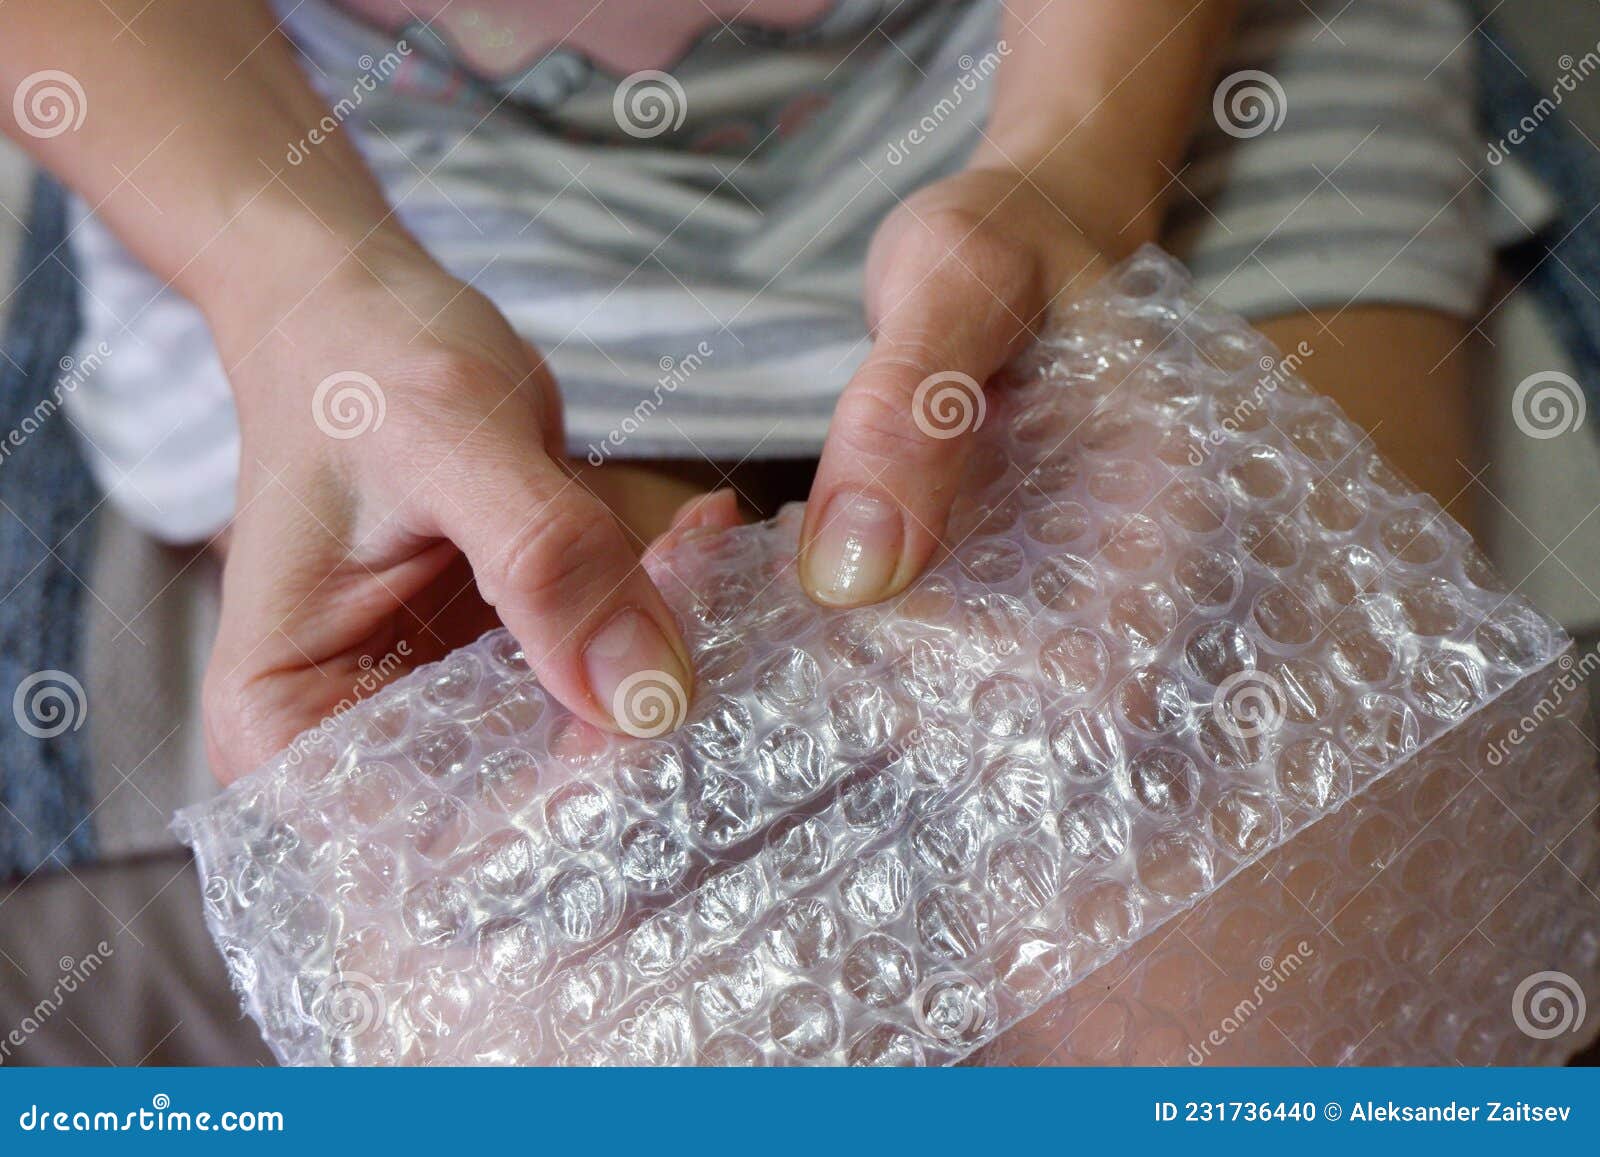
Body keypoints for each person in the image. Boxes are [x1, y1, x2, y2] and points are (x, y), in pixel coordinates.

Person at [0, 0, 1505, 1062]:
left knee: (1298, 1028)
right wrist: (297, 285)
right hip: (352, 144)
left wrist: (1073, 175)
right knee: (591, 1029)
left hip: (1133, 61)